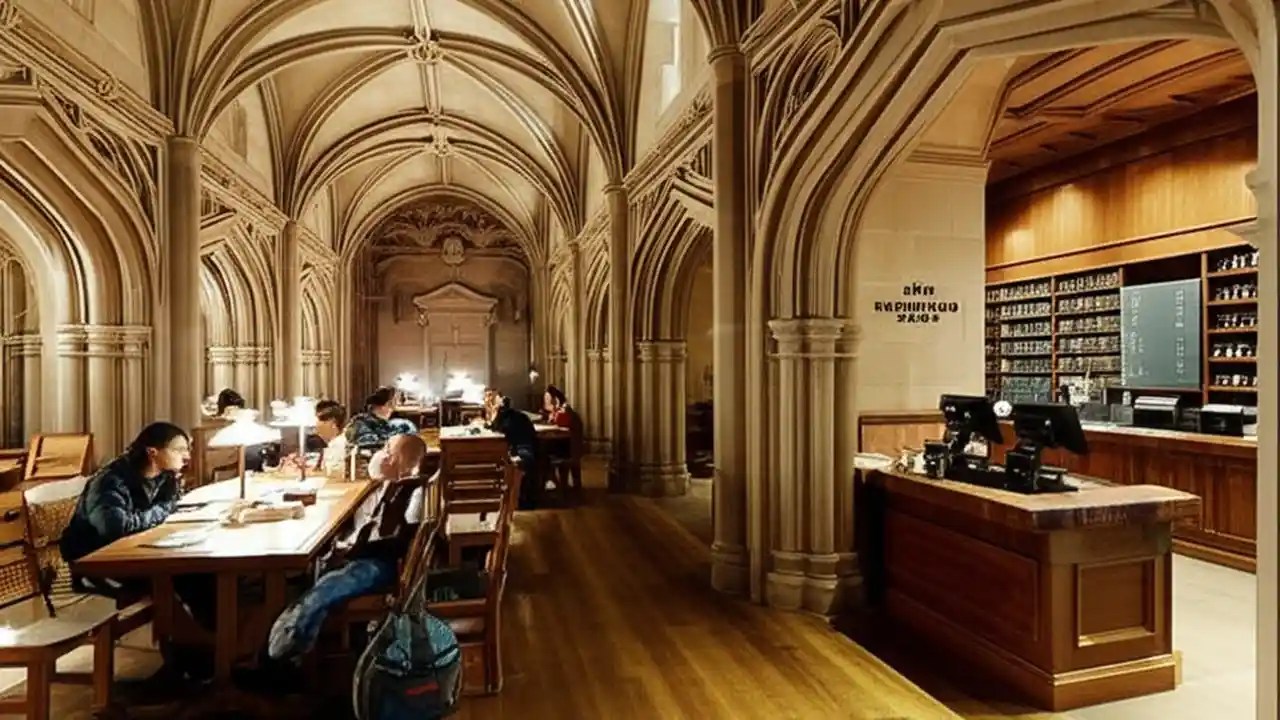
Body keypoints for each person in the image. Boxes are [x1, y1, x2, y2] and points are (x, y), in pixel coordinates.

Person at [61, 423, 218, 679]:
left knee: (202, 576)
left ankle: (210, 654)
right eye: (179, 449)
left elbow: (168, 506)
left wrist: (163, 509)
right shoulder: (111, 480)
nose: (187, 455)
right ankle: (195, 660)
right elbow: (115, 528)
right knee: (167, 580)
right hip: (98, 563)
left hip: (140, 553)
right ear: (153, 452)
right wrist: (161, 512)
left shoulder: (164, 476)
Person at [268, 434, 430, 662]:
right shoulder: (381, 487)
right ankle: (291, 649)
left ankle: (284, 654)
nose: (380, 455)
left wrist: (353, 548)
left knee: (328, 588)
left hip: (382, 563)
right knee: (317, 582)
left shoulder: (412, 492)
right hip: (363, 555)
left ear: (396, 460)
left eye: (387, 450)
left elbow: (402, 537)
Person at [486, 391, 539, 509]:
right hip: (530, 450)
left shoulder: (505, 418)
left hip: (522, 452)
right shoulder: (517, 415)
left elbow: (496, 428)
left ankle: (512, 499)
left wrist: (493, 416)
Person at [346, 386, 414, 448]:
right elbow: (369, 446)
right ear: (384, 405)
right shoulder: (361, 424)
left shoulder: (388, 425)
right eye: (391, 404)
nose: (393, 409)